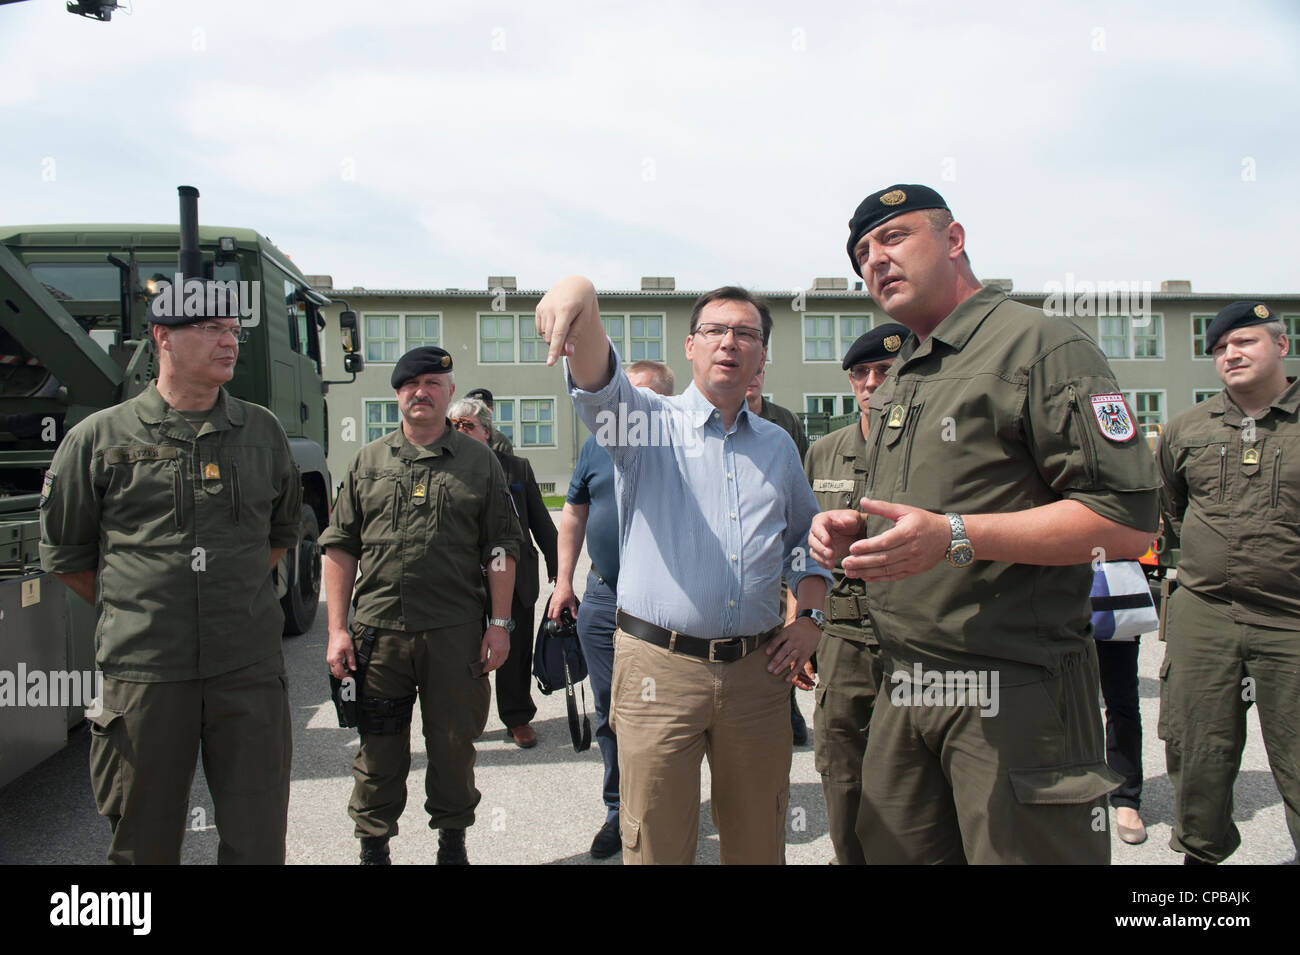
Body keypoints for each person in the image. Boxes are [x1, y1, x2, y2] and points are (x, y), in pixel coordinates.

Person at [809, 184, 1161, 864]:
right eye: (861, 252)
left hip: (1012, 687)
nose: (874, 259)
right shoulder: (906, 369)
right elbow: (924, 507)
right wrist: (856, 528)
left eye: (893, 237)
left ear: (954, 238)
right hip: (905, 679)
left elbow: (1124, 522)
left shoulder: (1040, 345)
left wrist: (957, 536)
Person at [535, 278, 831, 865]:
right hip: (659, 671)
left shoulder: (778, 446)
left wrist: (812, 617)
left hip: (756, 672)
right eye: (716, 330)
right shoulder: (646, 424)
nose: (730, 342)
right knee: (657, 841)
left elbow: (805, 541)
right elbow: (599, 383)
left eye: (746, 333)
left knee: (757, 841)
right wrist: (580, 295)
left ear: (762, 356)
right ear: (690, 346)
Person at [39, 294, 301, 864]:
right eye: (210, 328)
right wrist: (145, 610)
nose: (229, 341)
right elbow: (68, 556)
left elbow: (279, 537)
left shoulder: (262, 431)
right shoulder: (99, 438)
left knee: (257, 839)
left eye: (234, 330)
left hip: (247, 669)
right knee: (142, 841)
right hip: (146, 675)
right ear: (162, 336)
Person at [322, 346, 521, 865]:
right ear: (397, 395)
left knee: (453, 746)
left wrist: (498, 624)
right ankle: (374, 847)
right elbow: (340, 545)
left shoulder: (480, 463)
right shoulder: (368, 461)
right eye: (411, 384)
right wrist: (336, 630)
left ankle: (452, 844)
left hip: (454, 635)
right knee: (378, 749)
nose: (421, 392)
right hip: (378, 636)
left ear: (451, 393)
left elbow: (501, 546)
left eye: (433, 382)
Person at [1156, 300, 1300, 865]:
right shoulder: (1186, 429)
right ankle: (1202, 869)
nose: (1229, 355)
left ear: (1281, 346)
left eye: (1244, 342)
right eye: (1218, 348)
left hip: (1292, 617)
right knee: (1196, 750)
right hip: (1205, 612)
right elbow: (1170, 514)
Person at [550, 359, 675, 859]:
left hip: (664, 605)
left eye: (640, 398)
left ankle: (662, 805)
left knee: (667, 713)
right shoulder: (594, 445)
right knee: (611, 710)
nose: (625, 407)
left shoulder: (681, 448)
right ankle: (616, 808)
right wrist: (563, 583)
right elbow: (574, 514)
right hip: (603, 598)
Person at [801, 322, 908, 865]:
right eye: (860, 373)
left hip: (914, 637)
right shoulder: (823, 452)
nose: (871, 382)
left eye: (885, 371)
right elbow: (797, 546)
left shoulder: (929, 446)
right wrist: (799, 622)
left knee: (911, 775)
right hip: (841, 637)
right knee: (840, 765)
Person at [449, 395, 558, 749]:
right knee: (466, 654)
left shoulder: (516, 468)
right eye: (453, 426)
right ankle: (467, 720)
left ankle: (517, 717)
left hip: (514, 575)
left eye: (467, 425)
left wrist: (561, 572)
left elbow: (541, 520)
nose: (459, 431)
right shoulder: (441, 468)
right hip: (463, 579)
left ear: (486, 432)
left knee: (513, 649)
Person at [745, 368, 812, 746]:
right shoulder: (720, 413)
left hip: (782, 536)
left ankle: (786, 703)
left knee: (781, 624)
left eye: (758, 373)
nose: (751, 379)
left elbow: (801, 479)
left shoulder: (784, 421)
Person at [464, 387, 515, 454]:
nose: (476, 414)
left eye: (482, 410)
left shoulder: (500, 441)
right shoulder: (459, 437)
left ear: (491, 410)